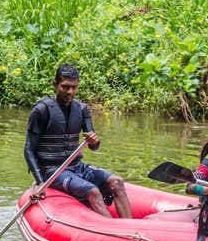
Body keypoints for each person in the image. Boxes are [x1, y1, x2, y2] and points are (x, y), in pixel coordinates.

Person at [24, 63, 131, 218]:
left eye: (74, 87)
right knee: (93, 192)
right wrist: (40, 182)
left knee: (117, 182)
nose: (70, 92)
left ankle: (131, 230)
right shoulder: (41, 110)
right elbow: (28, 149)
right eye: (65, 87)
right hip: (52, 171)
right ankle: (116, 233)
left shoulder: (82, 109)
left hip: (77, 166)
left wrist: (94, 141)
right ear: (55, 85)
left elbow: (94, 146)